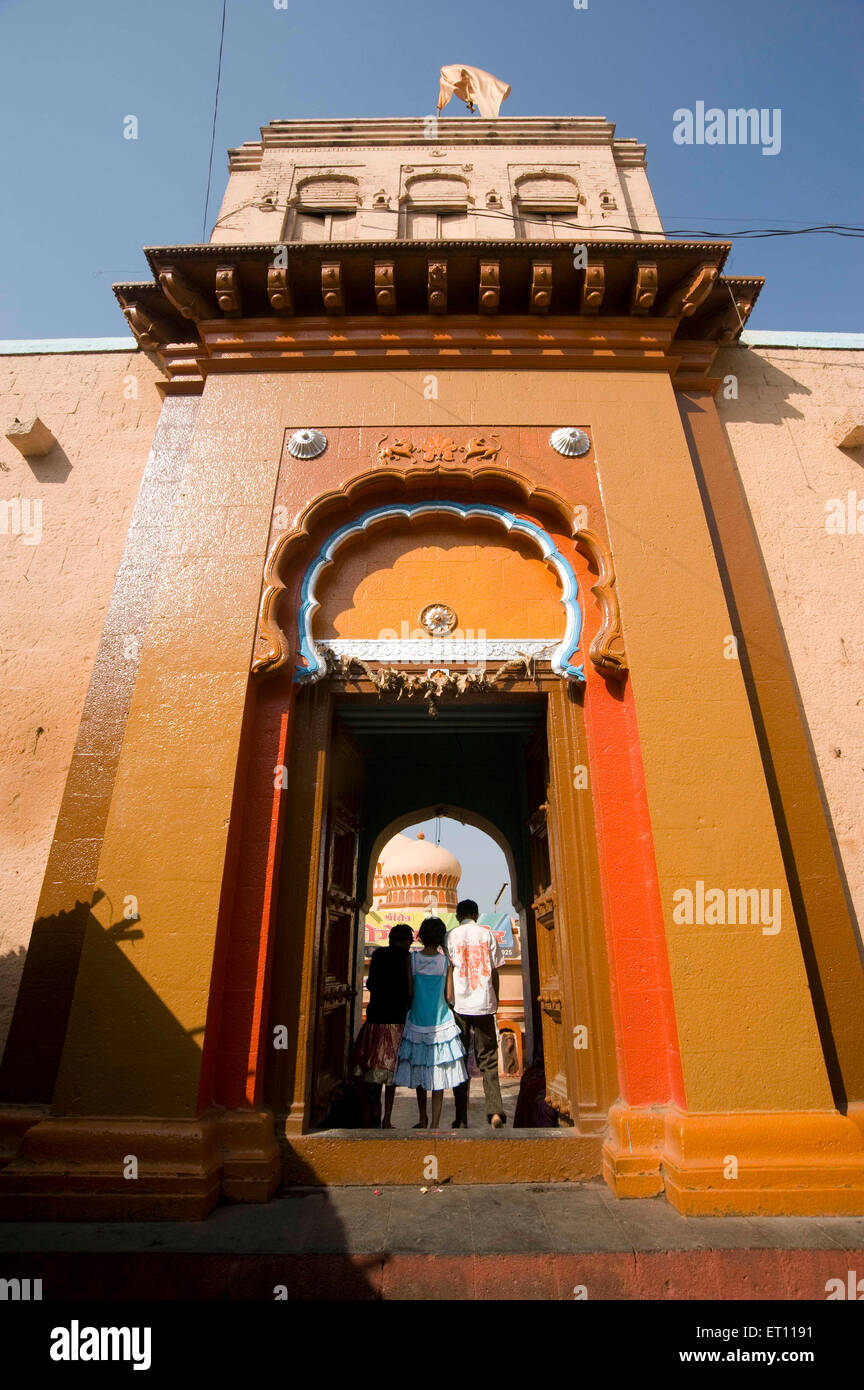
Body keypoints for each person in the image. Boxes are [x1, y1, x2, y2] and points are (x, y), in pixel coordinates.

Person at [393, 917, 467, 1130]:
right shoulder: (445, 962)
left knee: (420, 1071)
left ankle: (423, 1118)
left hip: (417, 1021)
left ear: (421, 936)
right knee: (438, 1075)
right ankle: (435, 1122)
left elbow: (410, 992)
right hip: (441, 1023)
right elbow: (449, 996)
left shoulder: (412, 960)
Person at [447, 898, 507, 1128]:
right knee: (489, 1062)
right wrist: (496, 1000)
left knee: (460, 1061)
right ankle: (495, 1113)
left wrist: (449, 1001)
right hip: (484, 1004)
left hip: (460, 1006)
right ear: (477, 914)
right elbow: (495, 972)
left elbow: (449, 970)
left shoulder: (451, 936)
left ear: (457, 915)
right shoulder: (487, 934)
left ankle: (461, 1117)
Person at [351, 922, 413, 1128]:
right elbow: (410, 990)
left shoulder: (378, 955)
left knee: (372, 1072)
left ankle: (372, 1112)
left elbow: (370, 984)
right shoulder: (407, 958)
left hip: (375, 1018)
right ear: (405, 941)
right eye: (409, 939)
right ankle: (386, 1118)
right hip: (396, 1021)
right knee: (391, 1076)